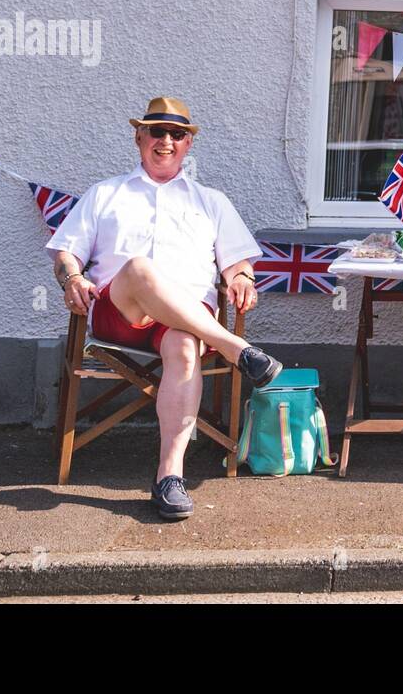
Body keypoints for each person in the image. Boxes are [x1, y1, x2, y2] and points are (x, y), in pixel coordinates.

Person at [47, 97, 282, 520]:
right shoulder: (106, 193)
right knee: (139, 268)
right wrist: (73, 279)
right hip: (120, 315)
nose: (166, 141)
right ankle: (236, 349)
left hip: (186, 321)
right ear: (139, 136)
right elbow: (66, 254)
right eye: (157, 132)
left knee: (185, 347)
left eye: (177, 134)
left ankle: (169, 478)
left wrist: (243, 278)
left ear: (189, 144)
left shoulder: (211, 200)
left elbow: (237, 263)